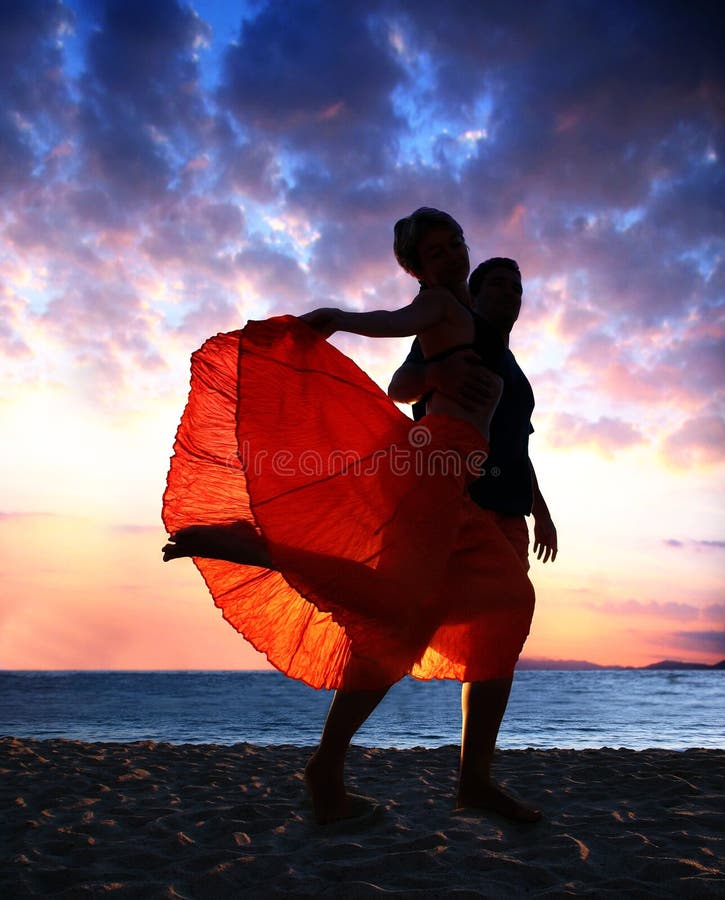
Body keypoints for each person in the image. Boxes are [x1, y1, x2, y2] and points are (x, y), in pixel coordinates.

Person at [162, 208, 537, 824]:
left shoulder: (473, 327)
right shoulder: (440, 309)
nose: (450, 256)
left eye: (456, 243)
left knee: (478, 608)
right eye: (435, 251)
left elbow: (506, 431)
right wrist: (337, 321)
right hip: (432, 471)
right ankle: (261, 548)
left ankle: (433, 779)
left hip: (455, 483)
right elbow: (397, 340)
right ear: (417, 268)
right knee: (398, 611)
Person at [387, 253, 558, 822]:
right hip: (457, 501)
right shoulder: (455, 330)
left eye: (518, 285)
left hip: (508, 515)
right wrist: (435, 376)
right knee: (400, 627)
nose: (511, 292)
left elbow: (518, 449)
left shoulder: (516, 371)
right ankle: (329, 761)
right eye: (500, 284)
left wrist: (542, 511)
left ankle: (474, 783)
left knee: (499, 639)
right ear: (477, 292)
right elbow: (402, 385)